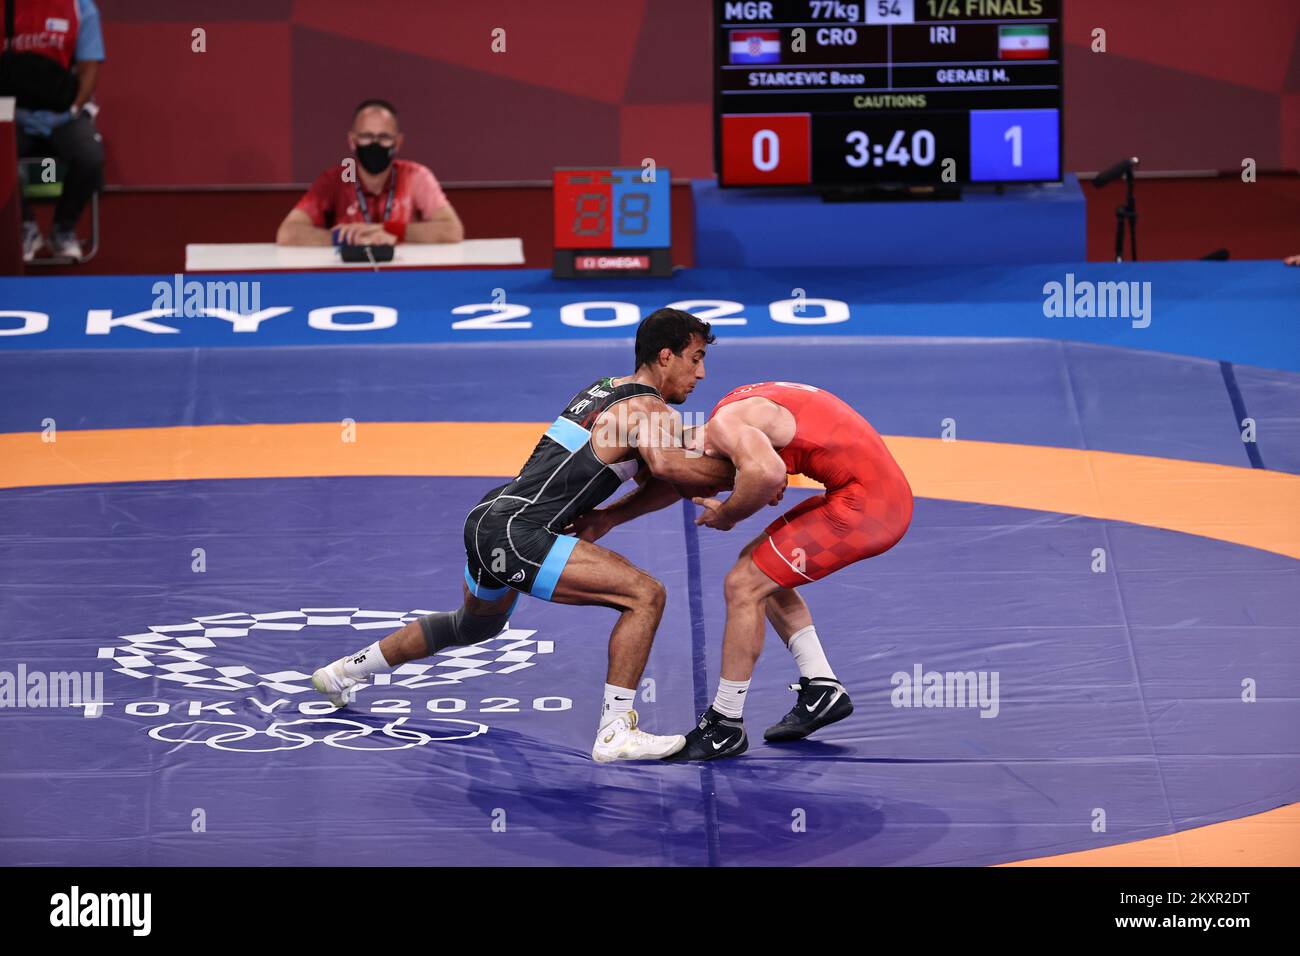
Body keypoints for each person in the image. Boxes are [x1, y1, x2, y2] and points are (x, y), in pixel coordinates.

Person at [311, 309, 735, 763]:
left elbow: (661, 478)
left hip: (490, 517)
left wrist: (611, 516)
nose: (702, 373)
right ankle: (615, 731)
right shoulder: (650, 409)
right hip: (520, 533)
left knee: (474, 624)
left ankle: (341, 672)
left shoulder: (604, 390)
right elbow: (671, 468)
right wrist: (745, 473)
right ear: (666, 356)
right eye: (696, 358)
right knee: (645, 596)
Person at [584, 381, 914, 761]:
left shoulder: (725, 427)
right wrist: (611, 517)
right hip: (873, 491)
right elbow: (745, 470)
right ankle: (822, 687)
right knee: (761, 568)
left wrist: (728, 513)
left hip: (870, 509)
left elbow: (767, 476)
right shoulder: (733, 413)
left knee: (744, 585)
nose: (719, 485)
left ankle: (725, 724)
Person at [276, 98, 463, 247]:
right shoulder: (334, 180)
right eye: (366, 136)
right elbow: (288, 232)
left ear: (397, 142)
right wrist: (347, 238)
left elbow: (452, 230)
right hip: (347, 278)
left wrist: (389, 230)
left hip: (404, 276)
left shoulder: (415, 176)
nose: (375, 144)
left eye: (384, 137)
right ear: (352, 140)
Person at [1, 0, 107, 261]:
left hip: (63, 114)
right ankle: (23, 226)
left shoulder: (81, 8)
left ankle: (63, 229)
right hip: (12, 113)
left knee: (90, 156)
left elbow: (89, 67)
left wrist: (73, 110)